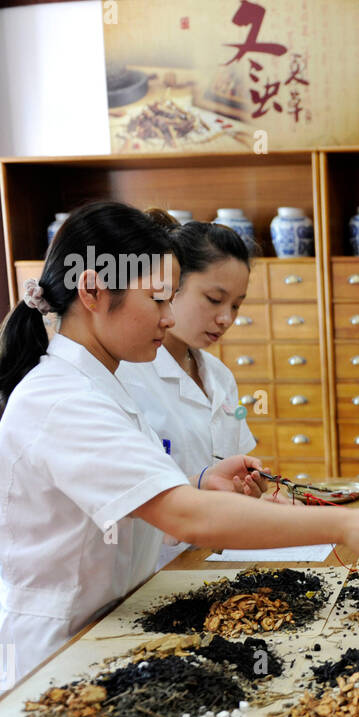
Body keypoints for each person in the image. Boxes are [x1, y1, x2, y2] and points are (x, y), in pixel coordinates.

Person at [0, 202, 359, 706]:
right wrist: (342, 526)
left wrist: (200, 482)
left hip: (110, 622)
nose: (169, 316)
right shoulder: (61, 398)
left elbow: (144, 492)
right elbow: (184, 518)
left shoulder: (100, 384)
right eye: (158, 298)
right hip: (55, 649)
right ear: (92, 290)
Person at [116, 211, 275, 569]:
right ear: (170, 286)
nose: (226, 318)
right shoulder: (126, 376)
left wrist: (246, 488)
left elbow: (228, 471)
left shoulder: (219, 376)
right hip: (150, 568)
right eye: (214, 299)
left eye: (236, 304)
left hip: (210, 556)